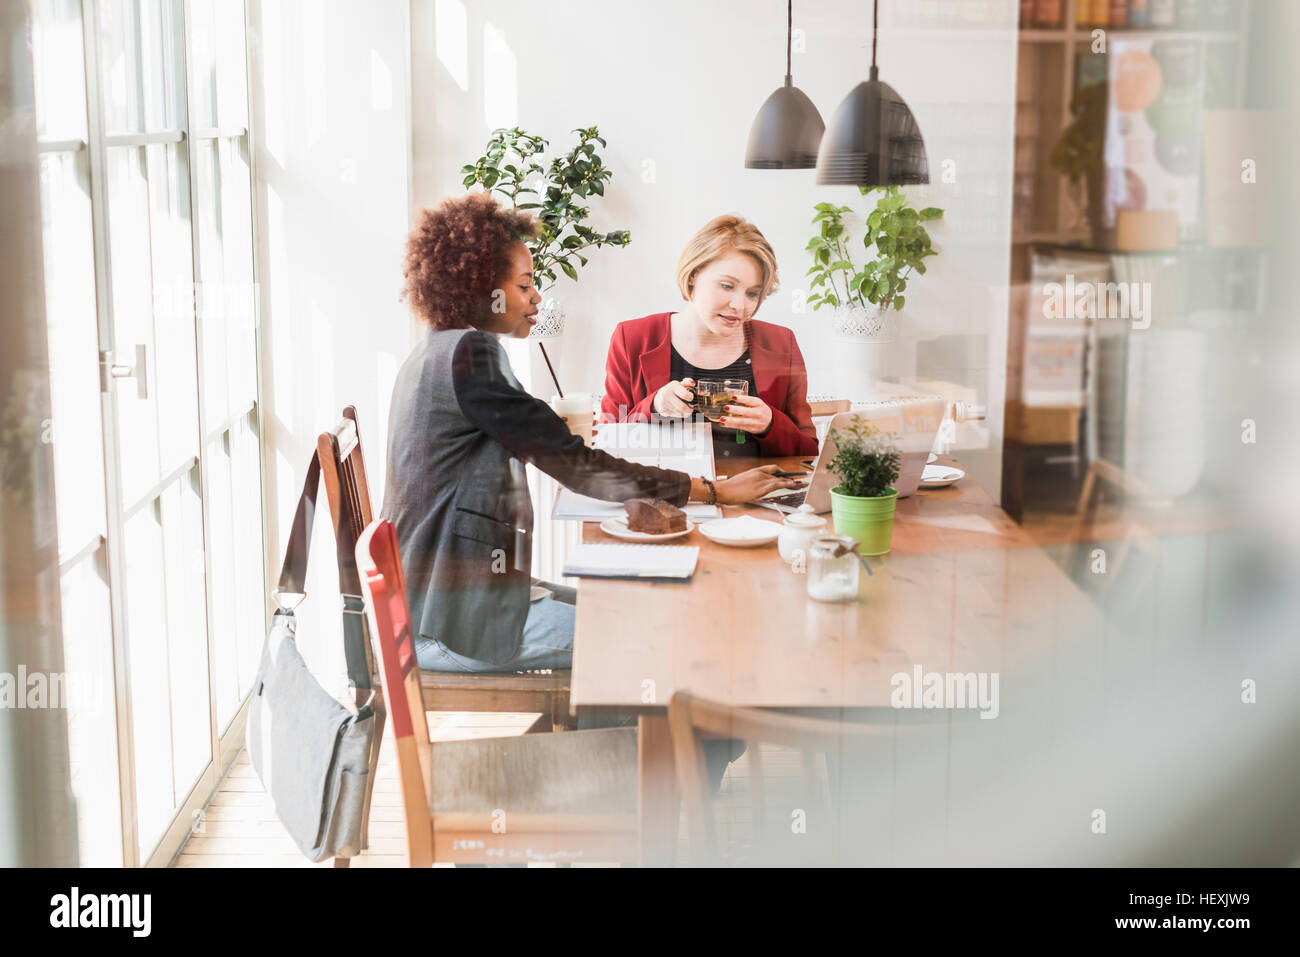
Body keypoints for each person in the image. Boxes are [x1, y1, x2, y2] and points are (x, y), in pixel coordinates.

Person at [381, 192, 800, 676]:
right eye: (524, 285)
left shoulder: (438, 350)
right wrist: (711, 490)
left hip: (432, 600)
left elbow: (517, 434)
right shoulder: (471, 354)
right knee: (669, 636)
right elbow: (578, 466)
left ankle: (642, 742)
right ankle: (646, 747)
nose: (536, 297)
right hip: (449, 621)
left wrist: (546, 427)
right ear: (479, 288)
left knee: (641, 610)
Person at [602, 214, 819, 462]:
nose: (740, 305)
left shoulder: (781, 342)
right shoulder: (633, 338)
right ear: (693, 274)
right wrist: (654, 406)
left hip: (756, 498)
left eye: (752, 293)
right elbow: (610, 442)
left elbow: (808, 453)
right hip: (666, 496)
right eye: (727, 286)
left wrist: (770, 424)